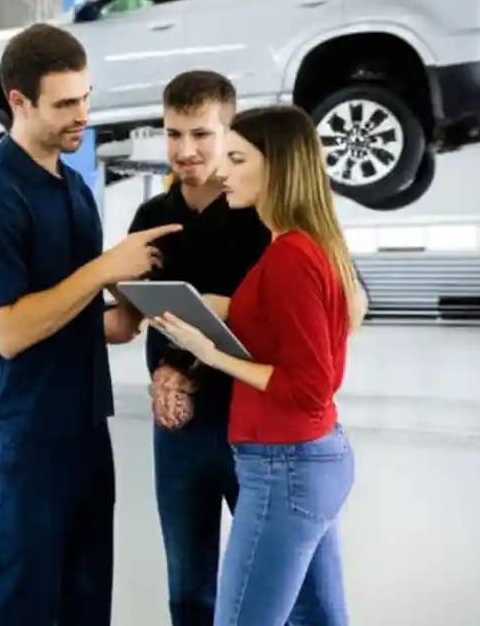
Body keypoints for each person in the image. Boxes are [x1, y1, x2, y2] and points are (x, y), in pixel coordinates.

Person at [0, 22, 182, 626]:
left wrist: (126, 313)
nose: (83, 114)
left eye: (86, 97)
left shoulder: (75, 188)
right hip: (27, 433)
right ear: (18, 102)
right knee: (25, 593)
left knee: (85, 588)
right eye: (65, 103)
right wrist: (104, 268)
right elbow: (6, 331)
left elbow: (73, 316)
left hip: (84, 421)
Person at [151, 105, 368, 625]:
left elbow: (310, 385)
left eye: (237, 158)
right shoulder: (307, 246)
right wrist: (223, 311)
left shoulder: (290, 255)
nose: (221, 171)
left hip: (284, 465)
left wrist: (212, 356)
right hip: (311, 456)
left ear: (277, 167)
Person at [104, 71, 269, 626]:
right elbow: (125, 318)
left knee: (267, 584)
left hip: (252, 423)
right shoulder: (150, 220)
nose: (185, 150)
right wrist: (106, 284)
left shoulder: (261, 213)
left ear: (229, 131)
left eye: (201, 134)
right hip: (176, 429)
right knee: (187, 587)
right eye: (174, 134)